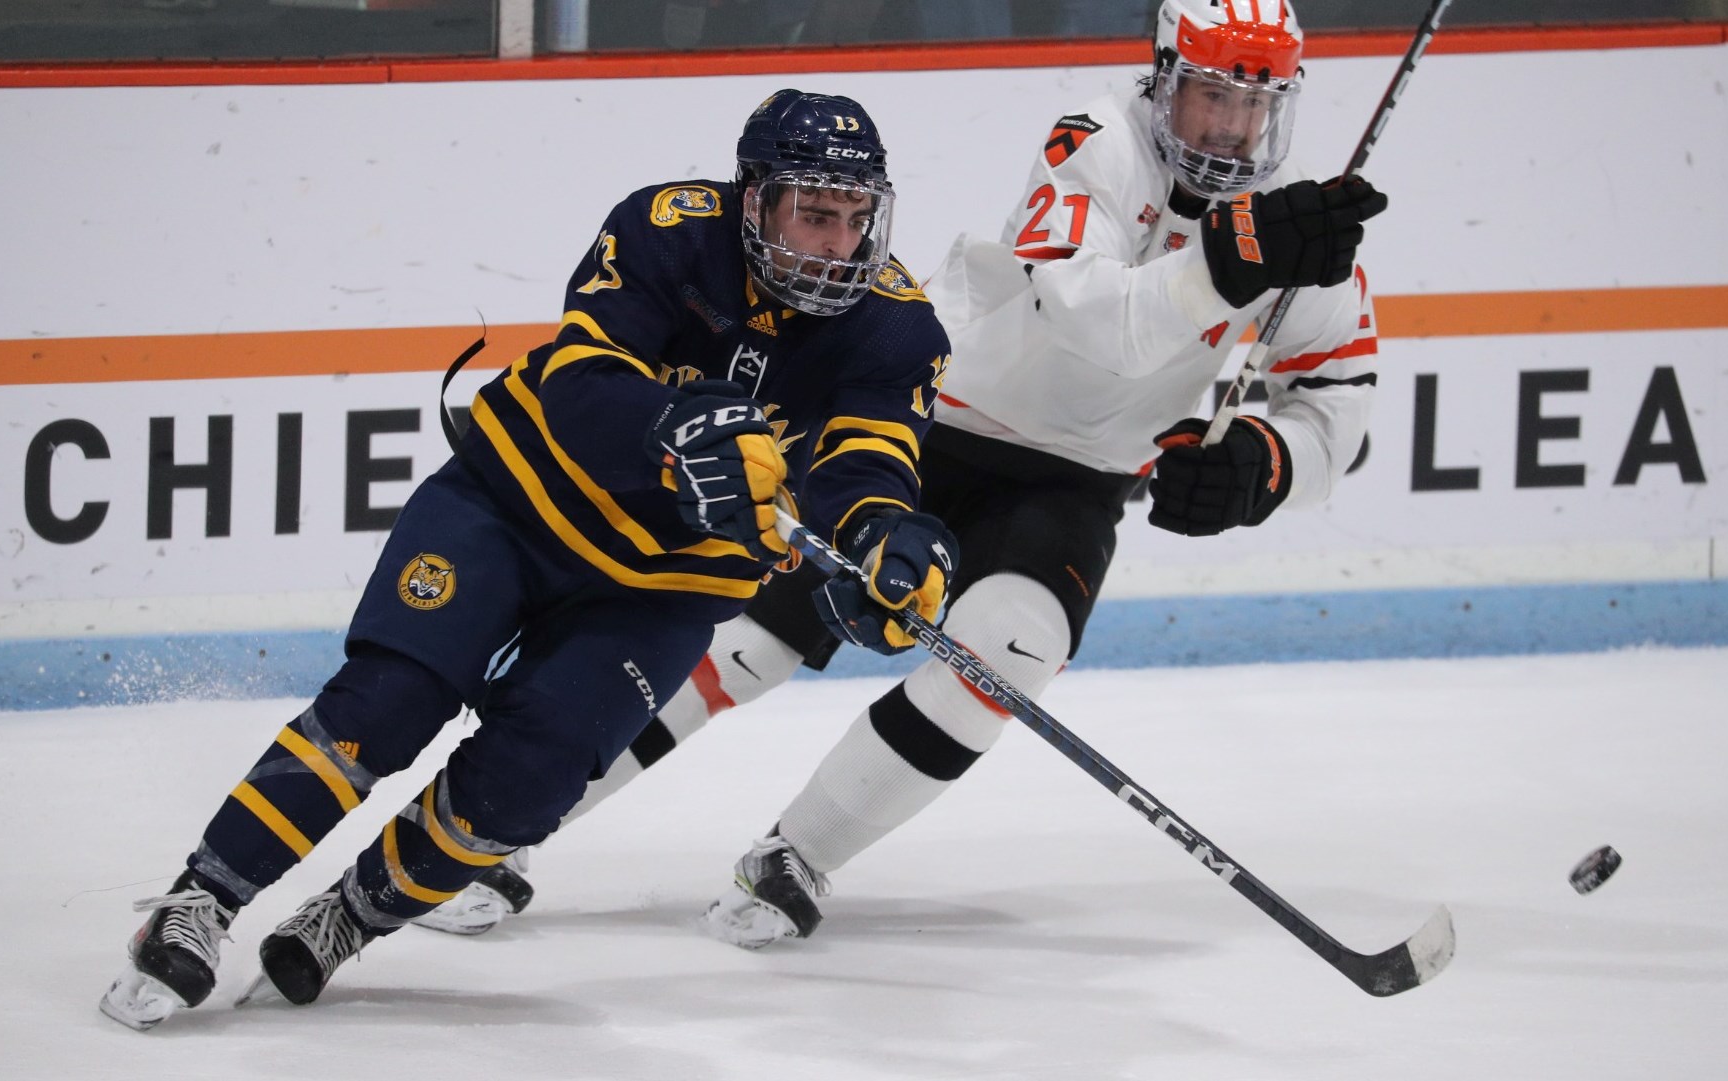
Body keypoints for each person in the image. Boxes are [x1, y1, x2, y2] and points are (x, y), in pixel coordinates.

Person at [416, 0, 1388, 948]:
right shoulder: (1096, 142)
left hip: (1076, 480)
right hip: (928, 423)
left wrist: (1262, 466)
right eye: (1213, 97)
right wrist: (1227, 260)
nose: (1232, 129)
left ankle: (797, 856)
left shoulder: (1302, 224)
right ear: (1165, 75)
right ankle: (501, 829)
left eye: (1255, 106)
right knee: (751, 637)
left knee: (1011, 650)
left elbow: (1341, 408)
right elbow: (1097, 322)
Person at [96, 87, 959, 1029]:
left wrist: (883, 541)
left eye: (852, 217)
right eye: (811, 213)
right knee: (388, 701)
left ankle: (344, 919)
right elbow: (582, 385)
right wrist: (672, 429)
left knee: (531, 779)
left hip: (665, 589)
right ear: (752, 197)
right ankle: (199, 902)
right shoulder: (666, 229)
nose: (835, 246)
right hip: (515, 507)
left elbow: (868, 465)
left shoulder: (898, 326)